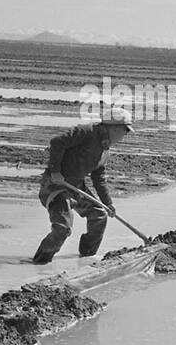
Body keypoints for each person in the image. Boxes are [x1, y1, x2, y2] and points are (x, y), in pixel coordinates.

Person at [31, 107, 133, 264]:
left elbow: (99, 177)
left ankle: (86, 259)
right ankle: (39, 262)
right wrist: (55, 171)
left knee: (99, 215)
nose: (124, 136)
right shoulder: (86, 132)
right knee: (63, 228)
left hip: (76, 187)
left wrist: (108, 204)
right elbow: (57, 142)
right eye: (124, 130)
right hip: (56, 186)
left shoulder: (105, 148)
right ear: (112, 127)